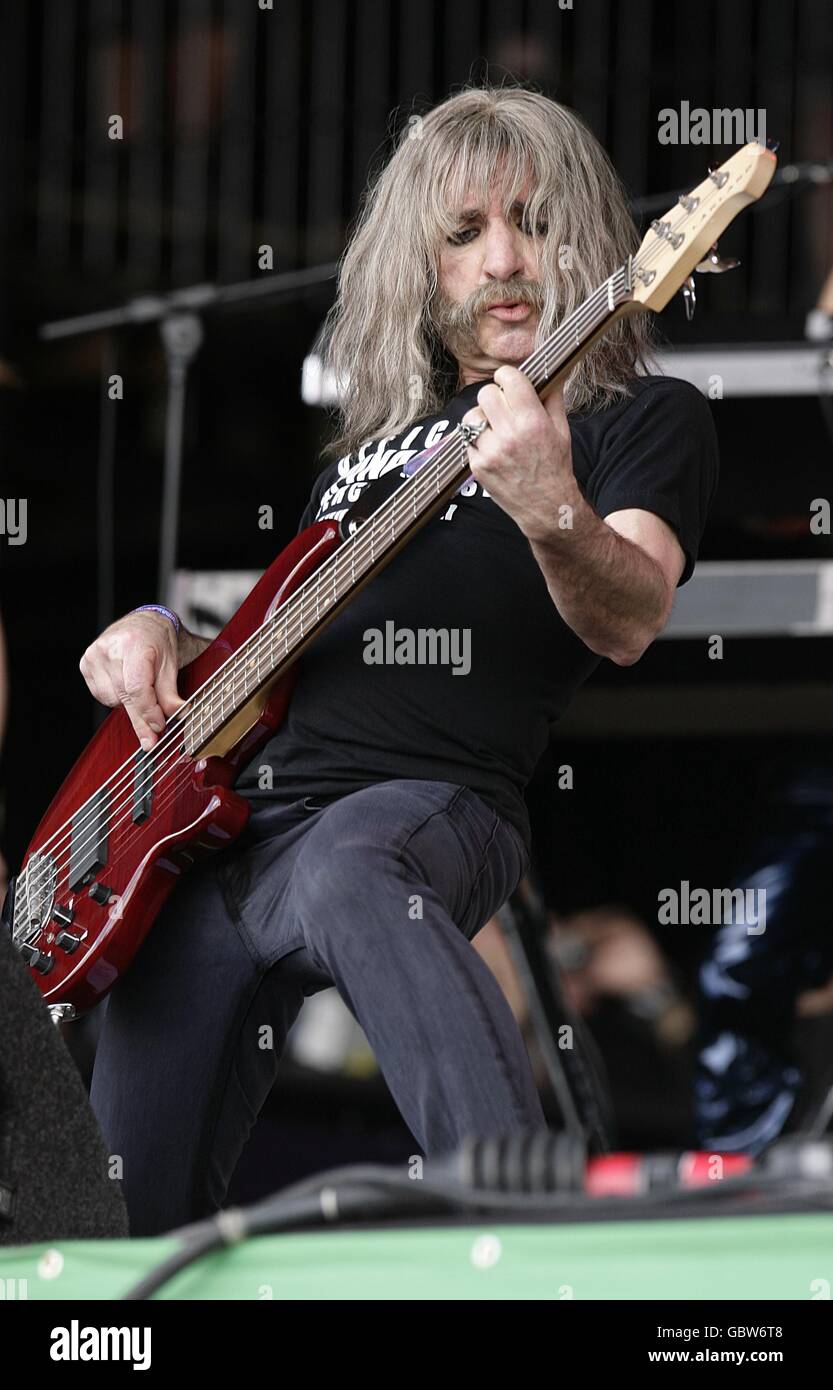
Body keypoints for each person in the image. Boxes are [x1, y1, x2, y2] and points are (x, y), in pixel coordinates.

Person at [82, 85, 718, 1235]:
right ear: (423, 272)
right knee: (119, 1223)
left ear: (586, 234)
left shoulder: (639, 416)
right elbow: (268, 648)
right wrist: (157, 636)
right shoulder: (374, 452)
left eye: (532, 219)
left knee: (350, 868)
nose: (506, 259)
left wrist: (546, 504)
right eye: (464, 235)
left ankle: (518, 1236)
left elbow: (629, 614)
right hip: (229, 834)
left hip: (424, 808)